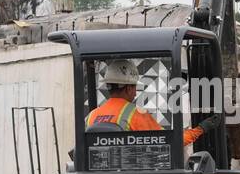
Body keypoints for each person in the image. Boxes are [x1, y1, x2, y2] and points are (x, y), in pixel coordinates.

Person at [86, 60, 220, 144]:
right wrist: (201, 129)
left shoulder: (92, 116)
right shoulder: (135, 114)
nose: (136, 92)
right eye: (134, 88)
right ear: (128, 88)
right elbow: (172, 141)